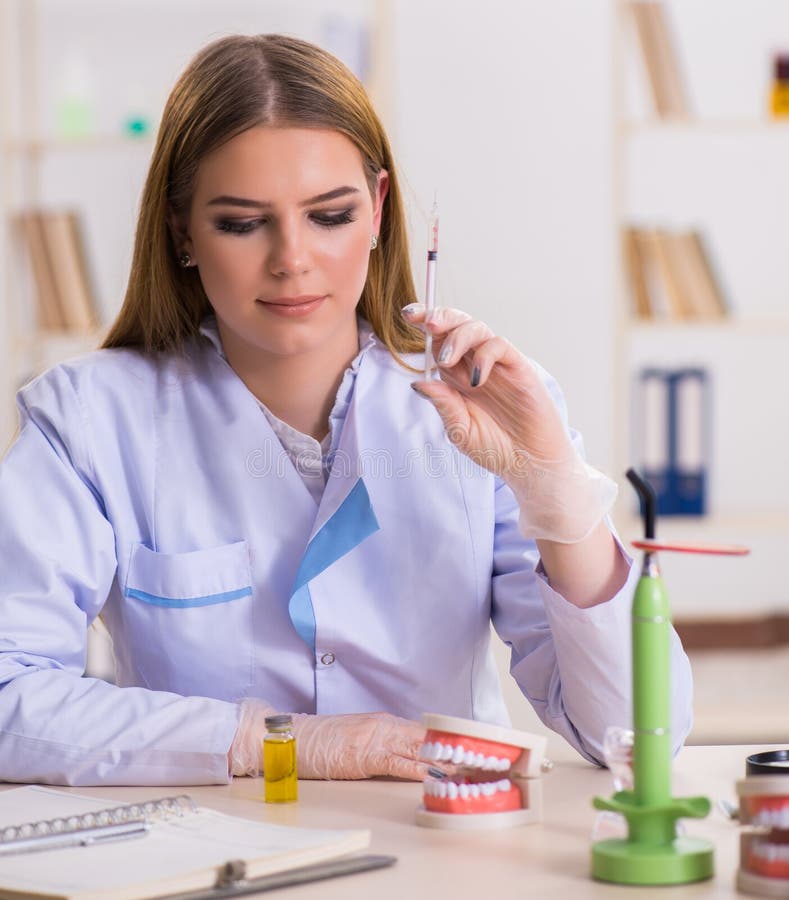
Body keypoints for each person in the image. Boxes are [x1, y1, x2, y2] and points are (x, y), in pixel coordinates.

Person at [0, 34, 692, 787]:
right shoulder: (90, 420)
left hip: (444, 834)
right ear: (182, 231)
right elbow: (10, 698)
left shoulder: (485, 408)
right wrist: (283, 744)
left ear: (377, 209)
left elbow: (636, 737)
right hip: (217, 836)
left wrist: (558, 496)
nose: (292, 260)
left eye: (329, 215)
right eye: (241, 223)